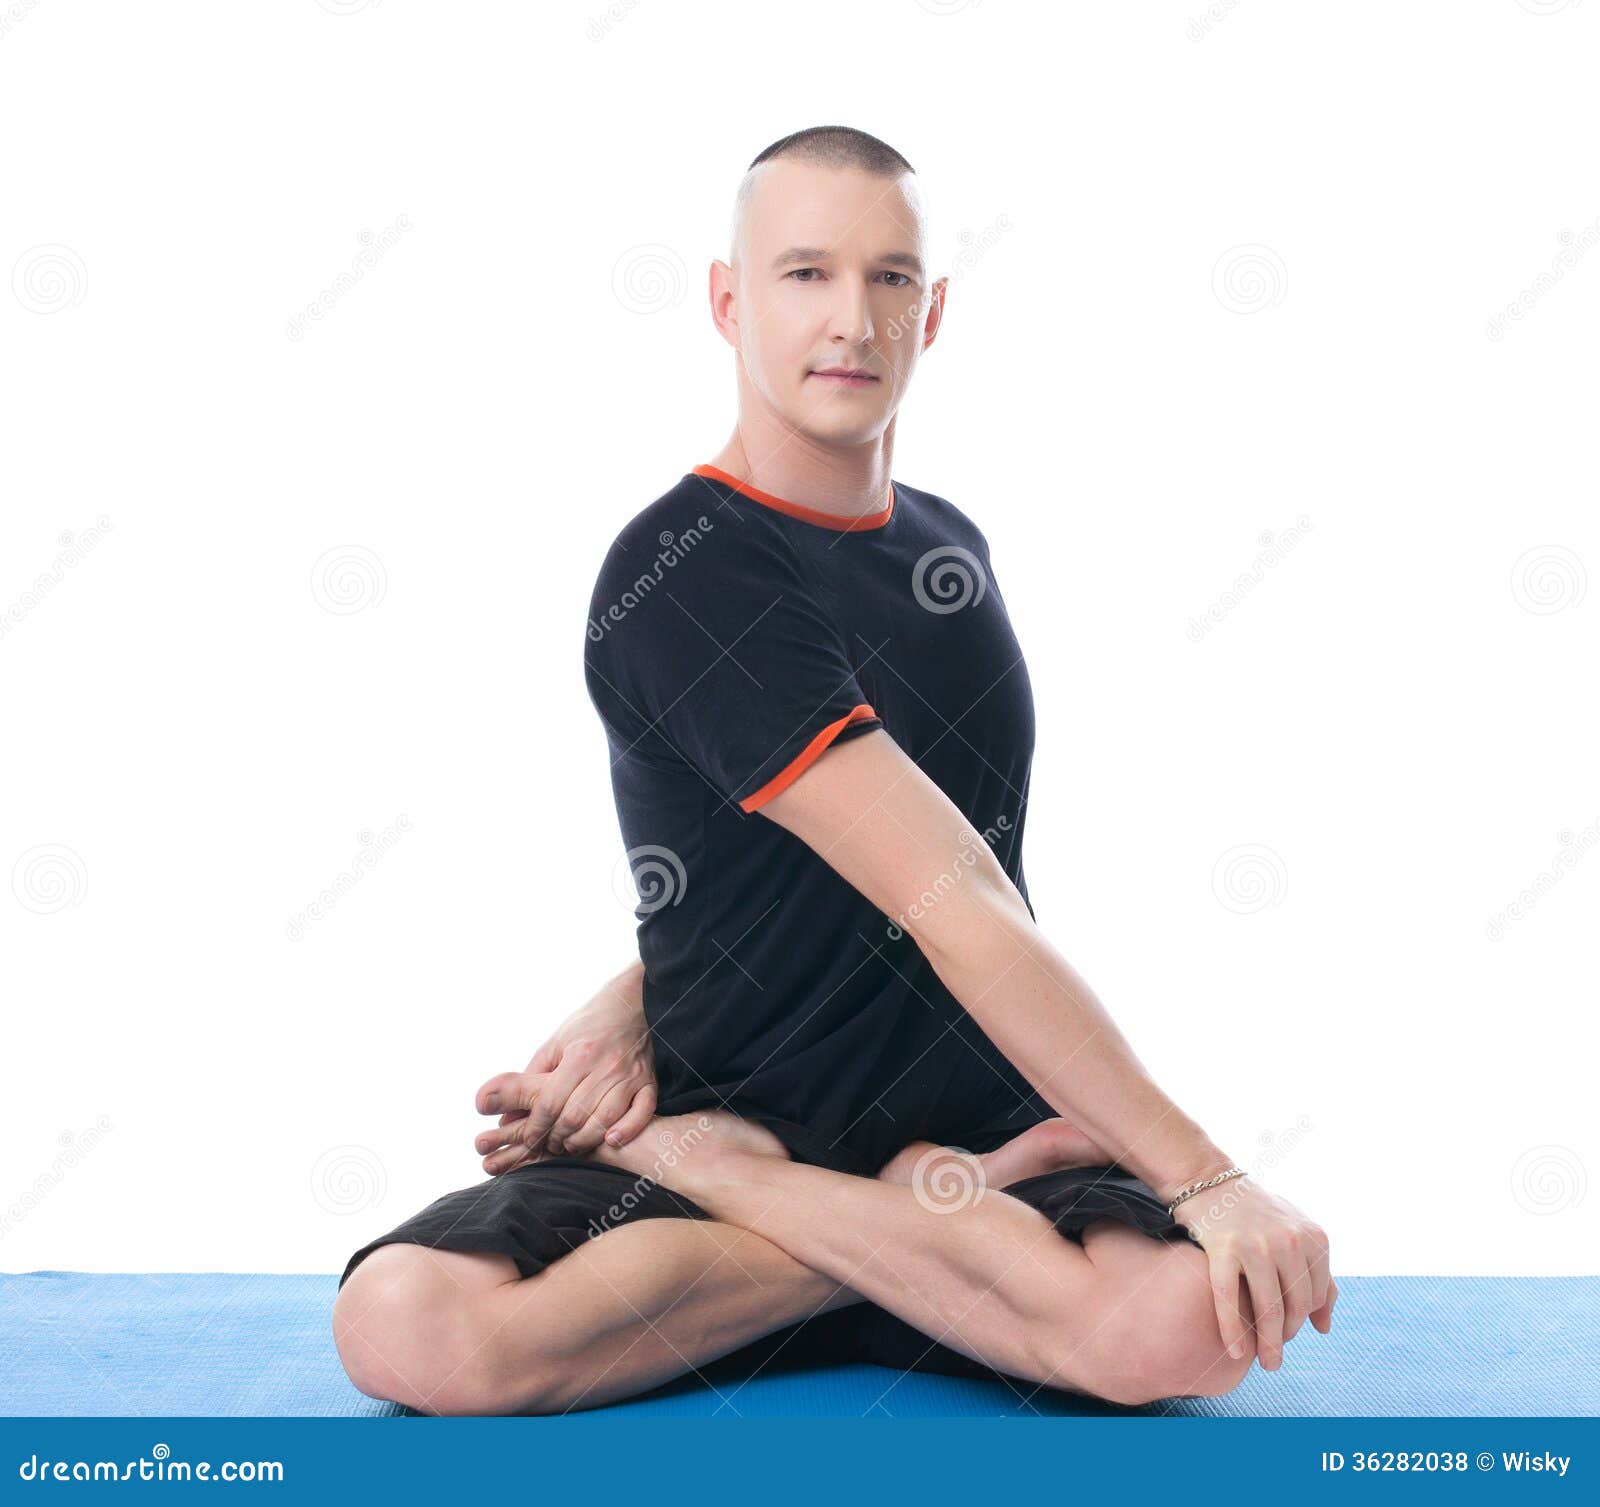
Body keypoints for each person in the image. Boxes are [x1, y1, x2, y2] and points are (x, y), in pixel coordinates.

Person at [332, 125, 1335, 1416]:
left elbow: (911, 869)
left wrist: (635, 996)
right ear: (727, 301)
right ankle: (868, 1234)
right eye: (805, 273)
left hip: (950, 1140)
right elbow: (953, 899)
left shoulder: (948, 549)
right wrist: (1207, 1177)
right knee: (406, 1325)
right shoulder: (691, 567)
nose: (852, 320)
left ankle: (791, 1209)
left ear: (935, 311)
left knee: (1191, 1327)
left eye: (890, 277)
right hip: (765, 1133)